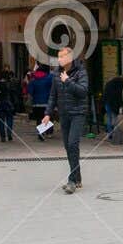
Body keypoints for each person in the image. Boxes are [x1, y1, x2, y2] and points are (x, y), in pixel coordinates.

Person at [53, 47, 89, 194]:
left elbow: (83, 91)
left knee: (73, 144)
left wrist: (67, 81)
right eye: (58, 57)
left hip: (78, 113)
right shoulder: (56, 74)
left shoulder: (81, 72)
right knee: (68, 147)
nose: (59, 59)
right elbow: (52, 96)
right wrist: (48, 113)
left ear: (70, 58)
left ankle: (72, 180)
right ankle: (78, 176)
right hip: (64, 114)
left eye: (62, 57)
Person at [27, 63, 54, 141]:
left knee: (39, 119)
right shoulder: (49, 78)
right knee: (48, 118)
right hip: (47, 102)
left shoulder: (33, 80)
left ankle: (41, 133)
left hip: (36, 103)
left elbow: (30, 91)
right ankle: (47, 132)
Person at [0, 70, 17, 143]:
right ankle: (9, 134)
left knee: (1, 121)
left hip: (0, 104)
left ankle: (2, 136)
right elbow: (14, 94)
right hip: (9, 104)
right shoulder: (11, 84)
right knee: (9, 119)